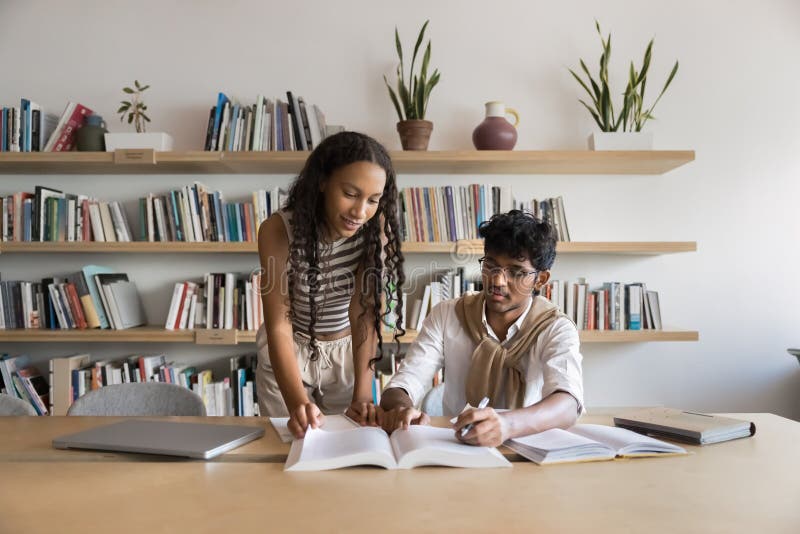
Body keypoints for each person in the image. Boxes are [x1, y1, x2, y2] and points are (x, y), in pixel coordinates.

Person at [380, 210, 583, 447]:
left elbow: (568, 404)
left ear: (540, 279)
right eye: (491, 266)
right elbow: (403, 384)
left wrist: (507, 425)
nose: (497, 280)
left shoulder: (556, 327)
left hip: (528, 449)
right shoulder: (447, 314)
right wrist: (401, 408)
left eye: (515, 272)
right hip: (456, 446)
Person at [256, 131, 404, 438]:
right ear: (322, 181)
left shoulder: (374, 230)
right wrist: (297, 403)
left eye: (373, 200)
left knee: (351, 442)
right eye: (350, 194)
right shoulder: (278, 230)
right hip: (290, 350)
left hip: (347, 354)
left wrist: (363, 396)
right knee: (292, 444)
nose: (360, 212)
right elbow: (279, 324)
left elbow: (364, 313)